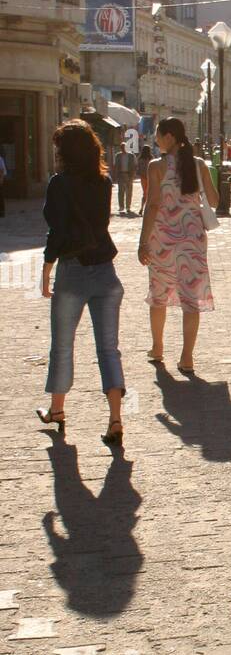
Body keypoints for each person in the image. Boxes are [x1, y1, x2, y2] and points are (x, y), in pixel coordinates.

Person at [38, 120, 126, 446]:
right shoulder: (104, 182)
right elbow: (101, 224)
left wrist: (47, 268)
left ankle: (57, 410)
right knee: (108, 349)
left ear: (65, 151)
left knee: (62, 345)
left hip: (72, 271)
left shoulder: (59, 184)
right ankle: (116, 418)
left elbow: (56, 231)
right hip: (106, 271)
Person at [138, 116, 218, 375]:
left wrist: (142, 241)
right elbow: (215, 200)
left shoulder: (156, 166)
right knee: (191, 298)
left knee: (158, 295)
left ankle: (158, 347)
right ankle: (187, 357)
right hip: (193, 240)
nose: (156, 139)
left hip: (162, 239)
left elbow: (152, 205)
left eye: (159, 135)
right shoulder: (198, 164)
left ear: (170, 137)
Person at [113, 144, 136, 215]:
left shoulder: (131, 156)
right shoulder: (118, 156)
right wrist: (115, 175)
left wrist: (133, 175)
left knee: (129, 191)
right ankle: (121, 206)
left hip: (129, 174)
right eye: (122, 147)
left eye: (124, 147)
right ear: (120, 148)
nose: (123, 149)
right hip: (120, 174)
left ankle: (128, 207)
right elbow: (115, 165)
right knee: (121, 191)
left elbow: (134, 165)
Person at [137, 145, 153, 215]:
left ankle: (142, 208)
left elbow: (139, 169)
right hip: (150, 177)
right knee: (149, 193)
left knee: (145, 193)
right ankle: (146, 208)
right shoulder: (151, 158)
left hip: (143, 177)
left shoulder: (140, 159)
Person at [0, 150, 6, 218]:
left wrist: (1, 179)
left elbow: (2, 170)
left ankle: (2, 212)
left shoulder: (0, 159)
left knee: (0, 196)